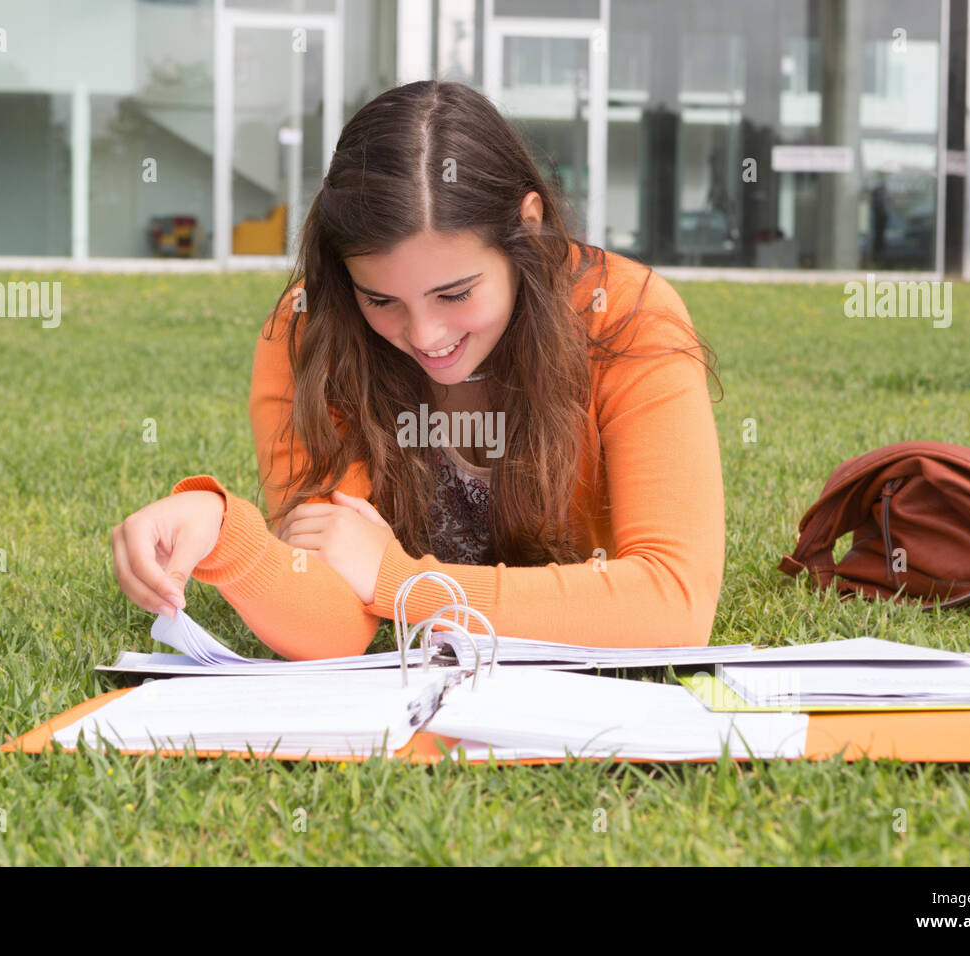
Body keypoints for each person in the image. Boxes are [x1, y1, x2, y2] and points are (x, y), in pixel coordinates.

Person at [111, 80, 725, 660]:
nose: (426, 337)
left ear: (528, 226)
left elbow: (673, 604)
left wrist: (400, 581)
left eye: (455, 294)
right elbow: (334, 623)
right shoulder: (313, 331)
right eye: (381, 300)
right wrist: (228, 536)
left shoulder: (624, 314)